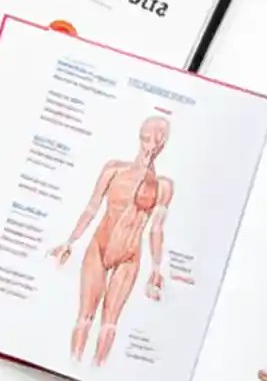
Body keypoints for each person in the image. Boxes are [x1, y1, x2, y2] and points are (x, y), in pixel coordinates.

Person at [48, 116, 175, 366]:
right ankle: (72, 363)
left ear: (163, 145)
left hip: (129, 255)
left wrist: (157, 268)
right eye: (146, 137)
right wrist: (70, 241)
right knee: (84, 316)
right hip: (99, 245)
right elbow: (92, 207)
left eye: (157, 140)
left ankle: (96, 369)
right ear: (139, 137)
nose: (150, 144)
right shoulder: (114, 169)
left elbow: (156, 229)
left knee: (110, 321)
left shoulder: (163, 186)